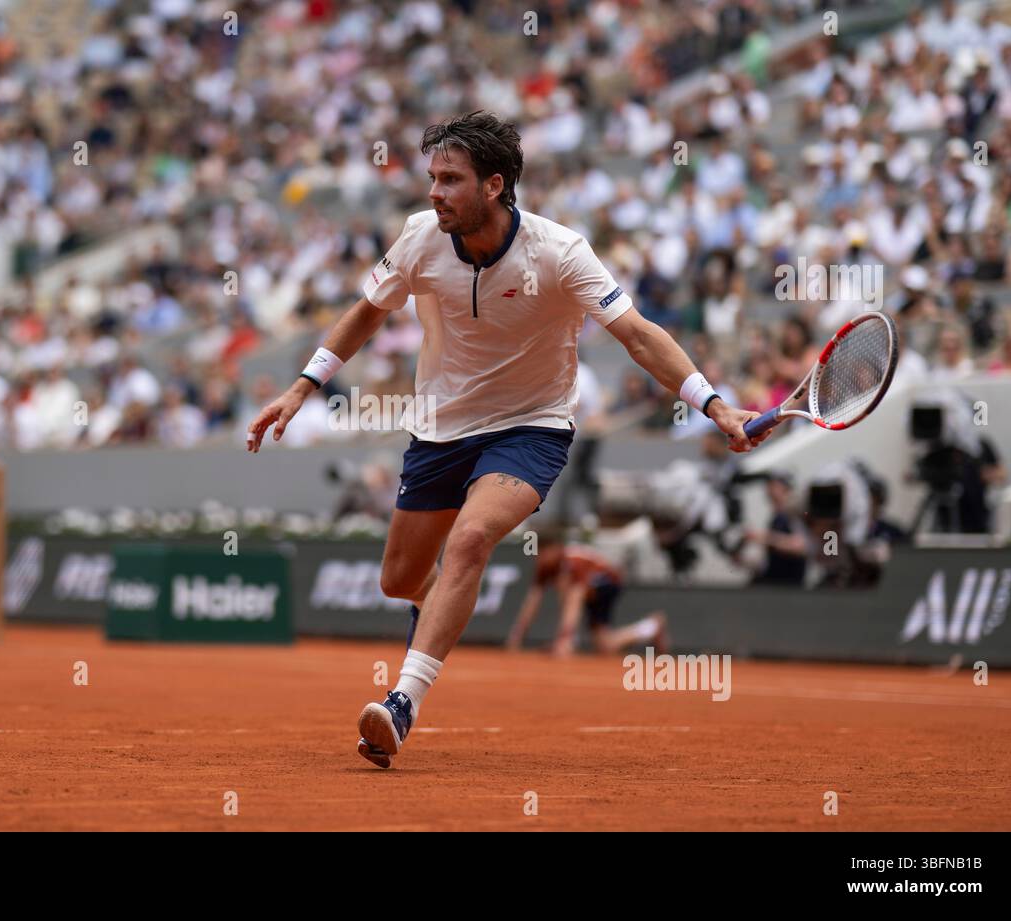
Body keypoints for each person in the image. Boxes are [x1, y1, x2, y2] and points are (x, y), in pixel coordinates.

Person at [246, 112, 769, 769]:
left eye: (450, 179)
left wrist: (715, 406)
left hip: (532, 425)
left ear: (495, 185)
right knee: (400, 577)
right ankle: (436, 609)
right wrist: (302, 386)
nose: (434, 191)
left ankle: (402, 703)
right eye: (432, 177)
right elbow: (368, 312)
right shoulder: (418, 238)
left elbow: (638, 335)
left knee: (470, 538)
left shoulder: (559, 252)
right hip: (439, 427)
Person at [505, 532, 666, 657]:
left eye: (542, 550)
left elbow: (576, 596)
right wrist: (517, 636)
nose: (539, 556)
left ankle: (566, 641)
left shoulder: (572, 560)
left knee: (570, 590)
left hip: (608, 581)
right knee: (605, 645)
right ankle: (651, 627)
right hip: (591, 588)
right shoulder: (544, 567)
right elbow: (532, 601)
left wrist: (564, 640)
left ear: (555, 548)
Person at [744, 472, 808, 586]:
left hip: (789, 585)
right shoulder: (775, 518)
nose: (769, 490)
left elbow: (801, 546)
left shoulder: (794, 515)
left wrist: (763, 538)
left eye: (774, 485)